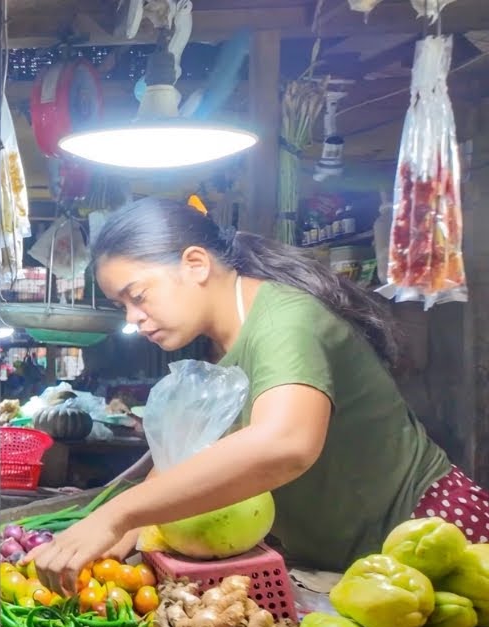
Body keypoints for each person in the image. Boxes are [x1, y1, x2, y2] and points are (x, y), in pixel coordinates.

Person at [29, 197, 489, 593]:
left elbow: (285, 443)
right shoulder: (220, 347)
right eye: (122, 305)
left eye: (138, 295)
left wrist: (119, 513)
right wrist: (126, 527)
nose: (133, 318)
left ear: (195, 264)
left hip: (432, 538)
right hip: (359, 568)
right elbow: (188, 460)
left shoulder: (284, 322)